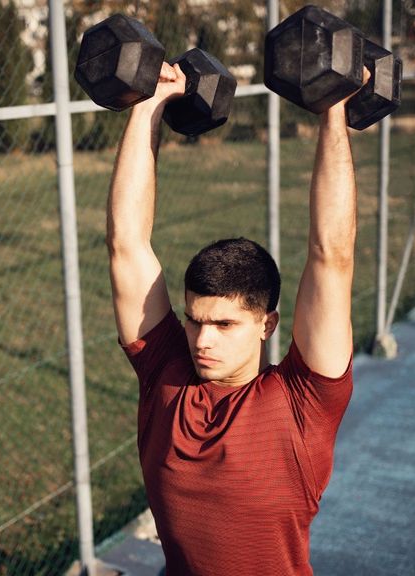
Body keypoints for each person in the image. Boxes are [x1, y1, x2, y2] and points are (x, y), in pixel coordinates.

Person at [107, 62, 362, 575]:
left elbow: (331, 255)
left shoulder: (304, 402)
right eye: (195, 320)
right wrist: (148, 105)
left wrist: (334, 110)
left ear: (267, 324)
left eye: (225, 325)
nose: (202, 340)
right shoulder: (165, 377)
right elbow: (126, 243)